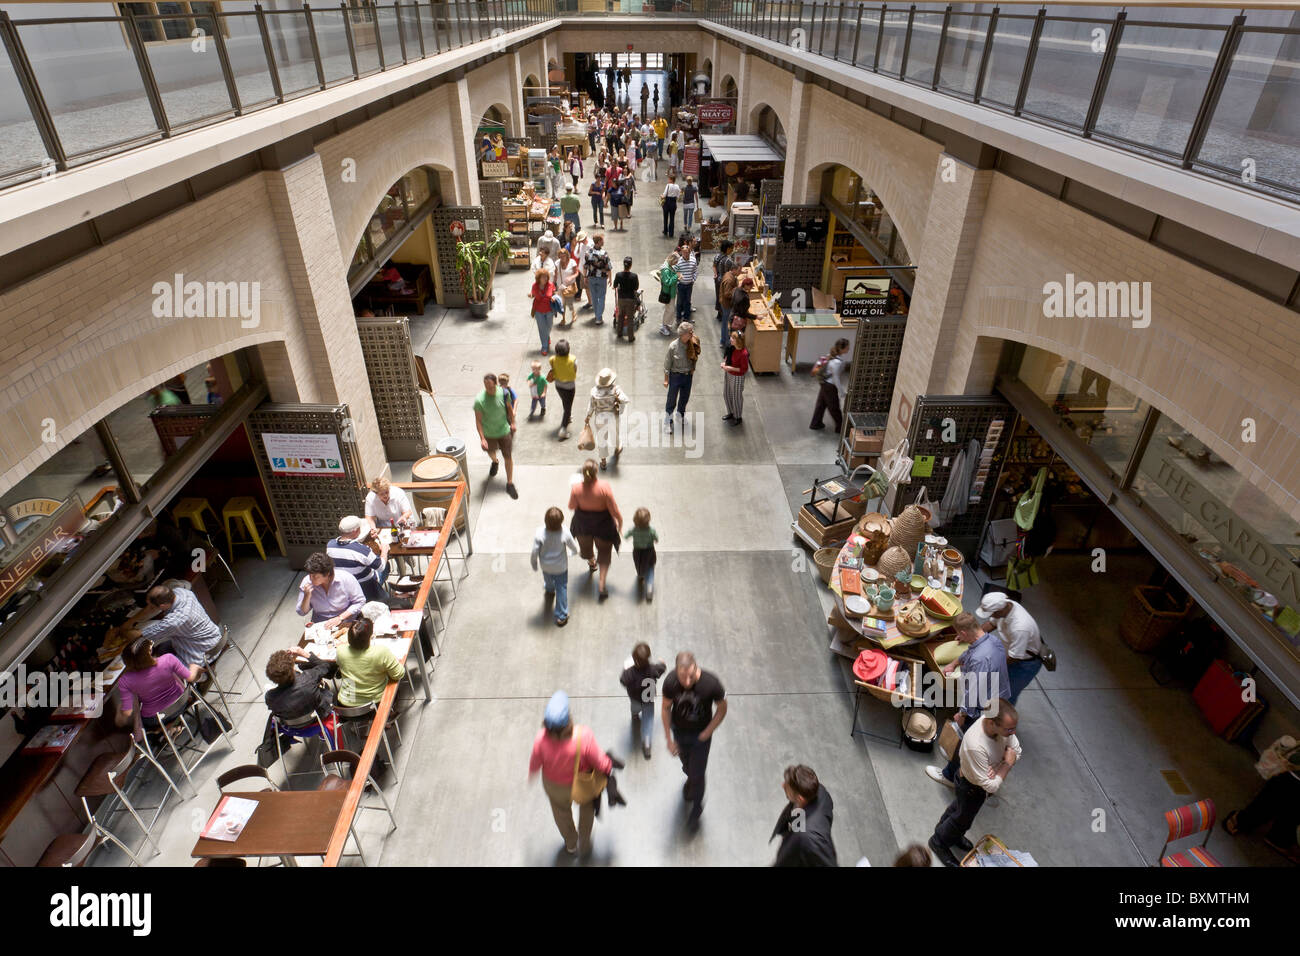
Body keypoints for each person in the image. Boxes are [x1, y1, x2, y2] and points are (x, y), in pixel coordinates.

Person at [929, 700, 1021, 867]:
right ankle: (938, 842)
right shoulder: (976, 745)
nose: (1013, 732)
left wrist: (998, 767)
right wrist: (1006, 764)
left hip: (973, 782)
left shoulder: (1001, 728)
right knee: (962, 819)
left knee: (958, 809)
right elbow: (990, 786)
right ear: (992, 723)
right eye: (1009, 729)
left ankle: (945, 829)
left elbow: (1017, 750)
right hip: (971, 787)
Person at [924, 611, 1010, 788]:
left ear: (963, 634)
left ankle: (949, 776)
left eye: (959, 635)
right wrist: (954, 663)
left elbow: (974, 691)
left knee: (966, 740)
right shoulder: (992, 641)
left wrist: (963, 713)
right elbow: (970, 652)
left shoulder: (980, 660)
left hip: (984, 706)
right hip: (999, 698)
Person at [528, 691, 614, 857]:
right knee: (587, 809)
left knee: (561, 814)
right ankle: (585, 842)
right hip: (582, 785)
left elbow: (535, 763)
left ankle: (571, 843)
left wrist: (532, 774)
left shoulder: (540, 739)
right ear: (568, 718)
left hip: (554, 786)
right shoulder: (584, 736)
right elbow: (599, 760)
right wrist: (608, 767)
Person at [662, 651, 727, 826]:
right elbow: (666, 709)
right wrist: (669, 738)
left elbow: (722, 708)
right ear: (676, 671)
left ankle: (697, 807)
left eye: (691, 676)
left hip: (700, 737)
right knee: (687, 766)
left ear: (696, 667)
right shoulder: (670, 682)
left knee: (698, 774)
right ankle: (691, 779)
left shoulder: (711, 683)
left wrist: (708, 731)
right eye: (682, 677)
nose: (687, 682)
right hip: (680, 733)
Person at [124, 583, 221, 670]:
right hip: (216, 638)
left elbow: (139, 636)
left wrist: (122, 630)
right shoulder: (183, 592)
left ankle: (197, 679)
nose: (150, 608)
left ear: (162, 606)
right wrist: (132, 620)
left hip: (203, 654)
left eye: (152, 606)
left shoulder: (173, 622)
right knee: (162, 647)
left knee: (156, 664)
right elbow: (151, 610)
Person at [974, 592, 1044, 704]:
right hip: (1011, 652)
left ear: (1000, 610)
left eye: (992, 613)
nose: (991, 616)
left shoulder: (1020, 627)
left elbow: (1014, 657)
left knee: (1006, 696)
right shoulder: (1006, 607)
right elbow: (991, 624)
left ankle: (999, 720)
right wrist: (973, 636)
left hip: (1024, 664)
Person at [568, 458, 622, 600]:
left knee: (586, 549)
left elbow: (571, 506)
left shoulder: (576, 488)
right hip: (603, 526)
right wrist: (620, 524)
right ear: (596, 471)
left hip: (583, 526)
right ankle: (602, 584)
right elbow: (614, 511)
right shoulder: (604, 487)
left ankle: (592, 563)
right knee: (604, 554)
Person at [115, 637, 199, 728]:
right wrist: (194, 667)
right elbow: (190, 678)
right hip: (182, 703)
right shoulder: (168, 659)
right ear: (149, 651)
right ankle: (173, 726)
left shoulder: (125, 680)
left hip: (156, 719)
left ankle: (167, 729)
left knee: (140, 718)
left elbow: (127, 712)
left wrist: (118, 712)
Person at [770, 765, 838, 867]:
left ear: (800, 798)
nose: (783, 785)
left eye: (787, 786)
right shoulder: (818, 791)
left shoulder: (808, 839)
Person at [335, 618, 404, 707]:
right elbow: (398, 675)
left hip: (345, 704)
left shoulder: (340, 650)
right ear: (371, 636)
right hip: (374, 705)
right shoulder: (381, 652)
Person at [530, 506, 580, 628]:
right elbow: (574, 548)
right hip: (561, 567)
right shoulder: (565, 532)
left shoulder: (539, 533)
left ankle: (549, 589)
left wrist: (534, 564)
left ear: (545, 520)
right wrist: (572, 553)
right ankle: (561, 615)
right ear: (561, 521)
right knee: (562, 588)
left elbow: (534, 552)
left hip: (545, 565)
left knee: (548, 578)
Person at [474, 372, 518, 499]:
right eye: (486, 386)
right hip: (489, 434)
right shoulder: (480, 399)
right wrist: (482, 438)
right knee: (491, 452)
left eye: (491, 387)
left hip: (504, 431)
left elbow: (509, 409)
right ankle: (495, 462)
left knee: (508, 456)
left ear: (496, 384)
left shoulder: (504, 393)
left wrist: (513, 423)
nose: (489, 389)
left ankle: (510, 484)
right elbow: (478, 421)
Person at [264, 646, 335, 724]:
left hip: (295, 727)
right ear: (293, 669)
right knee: (324, 685)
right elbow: (325, 665)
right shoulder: (309, 678)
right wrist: (302, 653)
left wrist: (291, 663)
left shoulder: (270, 697)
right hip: (320, 718)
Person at [620, 642, 666, 758]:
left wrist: (626, 668)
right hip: (648, 699)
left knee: (634, 709)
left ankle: (635, 716)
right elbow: (662, 668)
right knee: (648, 721)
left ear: (634, 660)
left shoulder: (629, 673)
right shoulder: (653, 669)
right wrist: (662, 662)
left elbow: (623, 681)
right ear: (648, 658)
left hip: (635, 699)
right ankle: (646, 744)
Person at [327, 515, 387, 602]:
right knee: (385, 565)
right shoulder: (362, 550)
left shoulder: (330, 545)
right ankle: (382, 595)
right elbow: (381, 566)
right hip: (365, 586)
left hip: (343, 586)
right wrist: (384, 551)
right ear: (355, 531)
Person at [296, 552, 365, 626]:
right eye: (310, 575)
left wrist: (340, 618)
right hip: (321, 623)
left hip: (345, 620)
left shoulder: (346, 579)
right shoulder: (307, 582)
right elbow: (301, 612)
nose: (311, 579)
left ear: (327, 574)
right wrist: (307, 596)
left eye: (315, 577)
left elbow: (360, 601)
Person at [585, 368, 628, 471]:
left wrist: (588, 416)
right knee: (615, 434)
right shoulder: (615, 390)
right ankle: (617, 448)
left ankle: (603, 461)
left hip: (600, 418)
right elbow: (625, 399)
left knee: (601, 439)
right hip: (613, 416)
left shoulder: (594, 392)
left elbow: (591, 406)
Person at [662, 321, 700, 434]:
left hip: (688, 376)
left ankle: (680, 415)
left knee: (684, 397)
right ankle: (668, 421)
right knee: (671, 399)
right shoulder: (673, 346)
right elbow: (667, 364)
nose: (692, 334)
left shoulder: (692, 343)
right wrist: (666, 379)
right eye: (690, 332)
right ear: (683, 334)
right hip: (676, 376)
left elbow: (695, 357)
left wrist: (693, 369)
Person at [809, 336, 850, 432]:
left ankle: (815, 423)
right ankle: (840, 428)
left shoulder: (831, 356)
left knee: (821, 405)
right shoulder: (837, 362)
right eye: (847, 347)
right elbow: (835, 378)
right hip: (830, 386)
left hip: (824, 384)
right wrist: (841, 391)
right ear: (841, 348)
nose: (848, 349)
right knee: (834, 408)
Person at [624, 507, 658, 602]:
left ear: (635, 520)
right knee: (650, 567)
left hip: (637, 551)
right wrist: (655, 540)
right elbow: (656, 539)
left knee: (638, 564)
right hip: (649, 550)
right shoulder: (651, 530)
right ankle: (649, 588)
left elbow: (626, 536)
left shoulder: (633, 529)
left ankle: (640, 575)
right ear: (648, 520)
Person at [548, 339, 578, 440]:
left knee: (565, 401)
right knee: (568, 407)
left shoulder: (552, 359)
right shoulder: (573, 359)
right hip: (570, 386)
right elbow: (575, 369)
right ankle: (563, 429)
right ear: (568, 350)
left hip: (558, 386)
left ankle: (568, 417)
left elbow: (553, 367)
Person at [721, 329, 749, 426]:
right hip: (729, 374)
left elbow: (743, 369)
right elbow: (728, 358)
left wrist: (729, 367)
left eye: (733, 338)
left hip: (737, 377)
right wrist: (726, 364)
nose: (730, 339)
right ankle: (731, 413)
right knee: (726, 394)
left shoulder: (743, 354)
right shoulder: (731, 347)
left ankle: (737, 417)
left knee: (736, 397)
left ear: (739, 341)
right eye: (731, 337)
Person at [527, 267, 557, 356]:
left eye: (546, 277)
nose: (545, 279)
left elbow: (554, 293)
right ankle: (544, 346)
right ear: (538, 278)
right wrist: (530, 295)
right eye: (543, 277)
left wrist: (553, 297)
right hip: (538, 310)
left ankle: (547, 337)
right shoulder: (535, 286)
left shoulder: (550, 285)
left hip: (549, 310)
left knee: (549, 326)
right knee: (542, 328)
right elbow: (533, 294)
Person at [584, 234, 612, 326]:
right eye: (602, 240)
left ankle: (597, 315)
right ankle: (599, 317)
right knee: (602, 297)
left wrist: (585, 277)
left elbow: (585, 266)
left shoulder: (588, 253)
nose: (603, 242)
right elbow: (608, 267)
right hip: (601, 278)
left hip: (591, 278)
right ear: (599, 241)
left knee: (594, 297)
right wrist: (610, 278)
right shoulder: (604, 254)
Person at [714, 240, 737, 347]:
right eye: (731, 248)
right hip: (725, 283)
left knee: (719, 297)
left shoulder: (717, 256)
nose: (732, 250)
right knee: (726, 318)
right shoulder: (728, 260)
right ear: (727, 249)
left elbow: (714, 266)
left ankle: (720, 312)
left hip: (719, 280)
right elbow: (734, 270)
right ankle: (725, 341)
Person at [612, 255, 639, 341]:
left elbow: (615, 285)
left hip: (621, 299)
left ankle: (619, 333)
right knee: (630, 318)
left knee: (620, 316)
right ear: (630, 266)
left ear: (623, 265)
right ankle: (631, 337)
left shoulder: (618, 275)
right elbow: (636, 288)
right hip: (630, 299)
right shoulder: (634, 276)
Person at [655, 252, 679, 337]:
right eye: (676, 261)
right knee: (669, 310)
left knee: (670, 310)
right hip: (668, 293)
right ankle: (664, 326)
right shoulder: (665, 269)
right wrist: (676, 276)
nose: (676, 263)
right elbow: (667, 282)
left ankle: (666, 324)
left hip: (671, 292)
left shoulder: (668, 267)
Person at [673, 241, 697, 326]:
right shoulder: (678, 261)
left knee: (688, 301)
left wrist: (693, 279)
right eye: (683, 253)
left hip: (689, 285)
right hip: (681, 285)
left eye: (687, 253)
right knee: (679, 302)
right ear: (682, 253)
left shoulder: (693, 260)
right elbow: (675, 271)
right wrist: (678, 280)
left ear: (689, 252)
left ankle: (686, 318)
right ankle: (678, 317)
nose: (685, 254)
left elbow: (695, 271)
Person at [556, 250, 579, 328]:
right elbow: (555, 274)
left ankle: (573, 312)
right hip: (560, 286)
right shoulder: (557, 263)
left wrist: (571, 277)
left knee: (569, 304)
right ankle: (563, 319)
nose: (562, 258)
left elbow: (576, 272)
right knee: (562, 304)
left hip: (569, 287)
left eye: (564, 256)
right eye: (560, 256)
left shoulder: (572, 262)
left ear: (567, 255)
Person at [660, 172, 680, 238]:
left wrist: (661, 196)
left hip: (667, 203)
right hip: (673, 203)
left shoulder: (668, 185)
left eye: (669, 179)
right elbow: (678, 196)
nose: (668, 180)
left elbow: (664, 195)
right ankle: (671, 233)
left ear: (671, 179)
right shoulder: (677, 186)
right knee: (672, 218)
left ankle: (665, 231)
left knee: (665, 217)